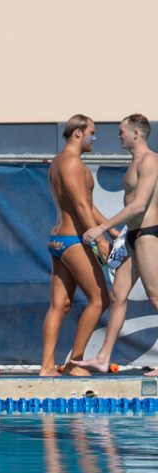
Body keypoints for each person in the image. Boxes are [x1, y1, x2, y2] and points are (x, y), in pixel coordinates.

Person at [85, 114, 158, 373]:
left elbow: (139, 204)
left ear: (136, 134)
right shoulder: (134, 162)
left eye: (121, 132)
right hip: (133, 235)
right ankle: (103, 358)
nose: (119, 136)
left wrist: (102, 227)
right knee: (118, 295)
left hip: (149, 234)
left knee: (155, 296)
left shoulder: (150, 160)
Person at [40, 114, 111, 377]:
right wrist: (100, 238)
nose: (95, 137)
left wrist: (111, 229)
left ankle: (47, 366)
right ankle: (74, 362)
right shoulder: (71, 162)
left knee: (60, 304)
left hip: (60, 240)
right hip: (72, 241)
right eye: (92, 132)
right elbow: (82, 206)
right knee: (100, 298)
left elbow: (87, 204)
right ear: (78, 132)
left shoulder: (58, 162)